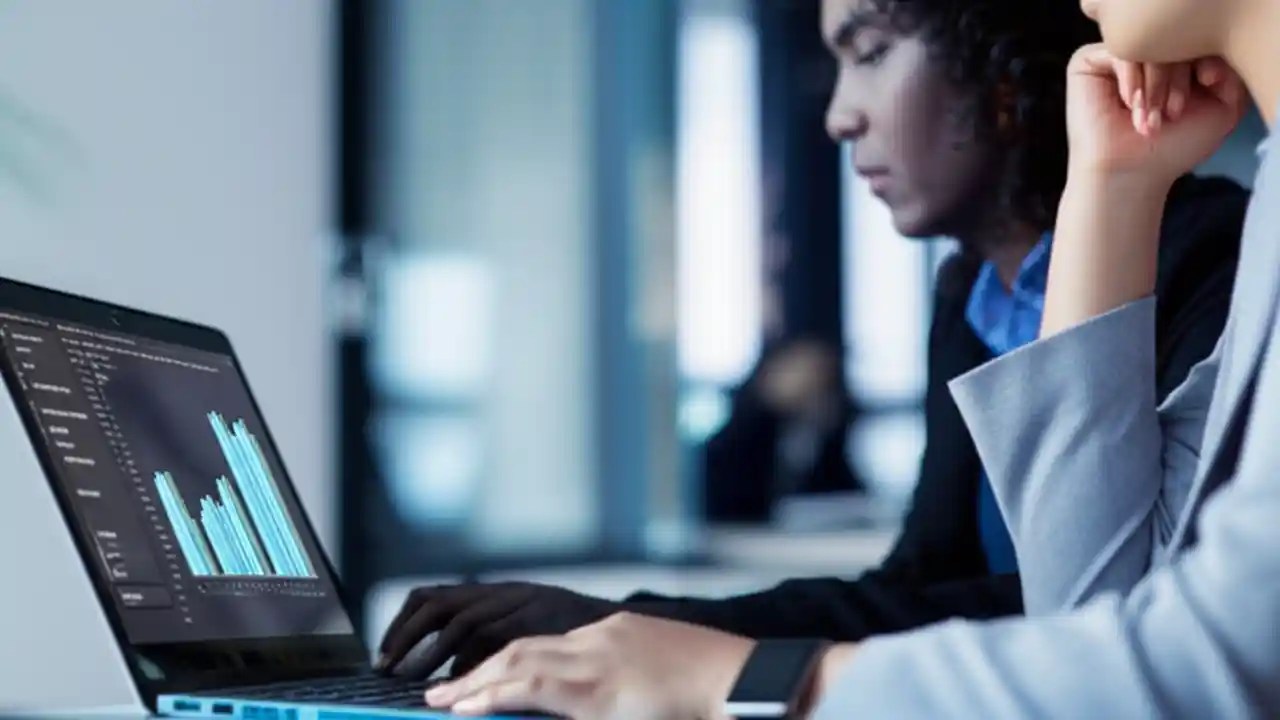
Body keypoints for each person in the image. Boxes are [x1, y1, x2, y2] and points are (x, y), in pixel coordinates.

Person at [418, 0, 1280, 715]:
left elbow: (1140, 638)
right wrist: (634, 631)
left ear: (1007, 74)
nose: (837, 114)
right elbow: (1048, 604)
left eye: (870, 53)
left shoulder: (1219, 255)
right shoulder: (970, 295)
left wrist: (706, 658)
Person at [702, 336, 865, 524]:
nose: (812, 381)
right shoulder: (740, 435)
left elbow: (847, 495)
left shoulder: (819, 435)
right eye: (804, 369)